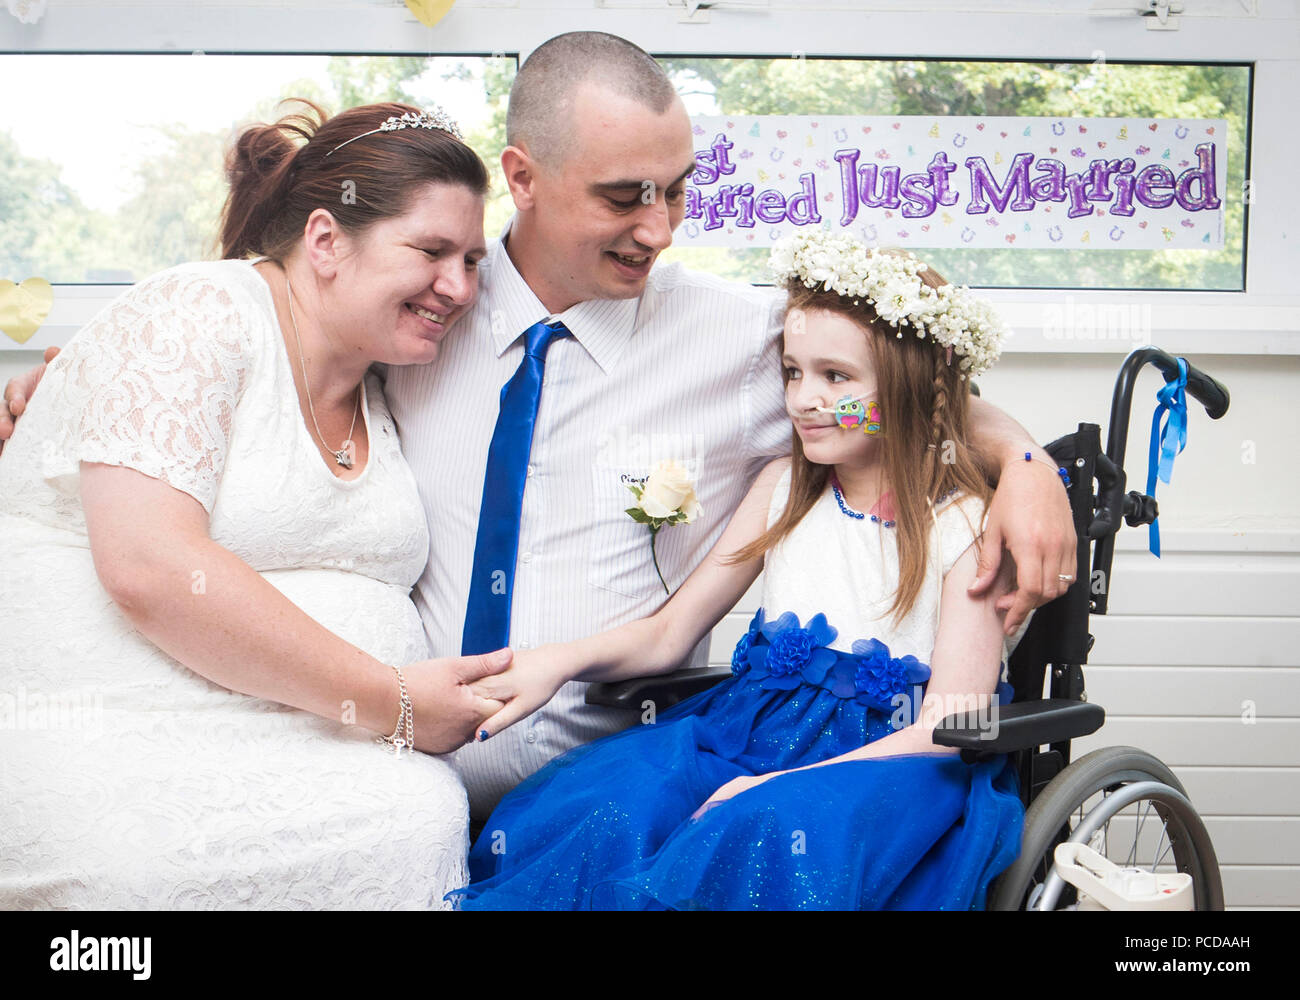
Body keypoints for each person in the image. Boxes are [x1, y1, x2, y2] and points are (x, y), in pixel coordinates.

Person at [2, 32, 1077, 828]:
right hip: (374, 755)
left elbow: (893, 389)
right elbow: (246, 350)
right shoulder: (417, 317)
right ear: (520, 176)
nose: (658, 227)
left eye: (678, 191)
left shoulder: (744, 342)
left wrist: (1025, 462)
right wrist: (71, 388)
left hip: (599, 766)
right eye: (623, 196)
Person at [0, 100, 512, 908]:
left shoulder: (388, 383)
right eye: (432, 251)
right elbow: (150, 567)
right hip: (122, 739)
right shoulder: (196, 312)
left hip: (322, 751)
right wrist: (398, 705)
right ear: (325, 240)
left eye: (475, 259)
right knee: (143, 872)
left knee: (416, 820)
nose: (460, 287)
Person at [447, 233, 1028, 910]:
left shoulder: (965, 529)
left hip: (889, 768)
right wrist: (558, 661)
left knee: (761, 830)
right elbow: (670, 633)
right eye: (792, 372)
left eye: (836, 378)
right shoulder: (785, 487)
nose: (803, 400)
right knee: (617, 803)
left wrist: (772, 788)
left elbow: (945, 726)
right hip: (746, 735)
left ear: (912, 382)